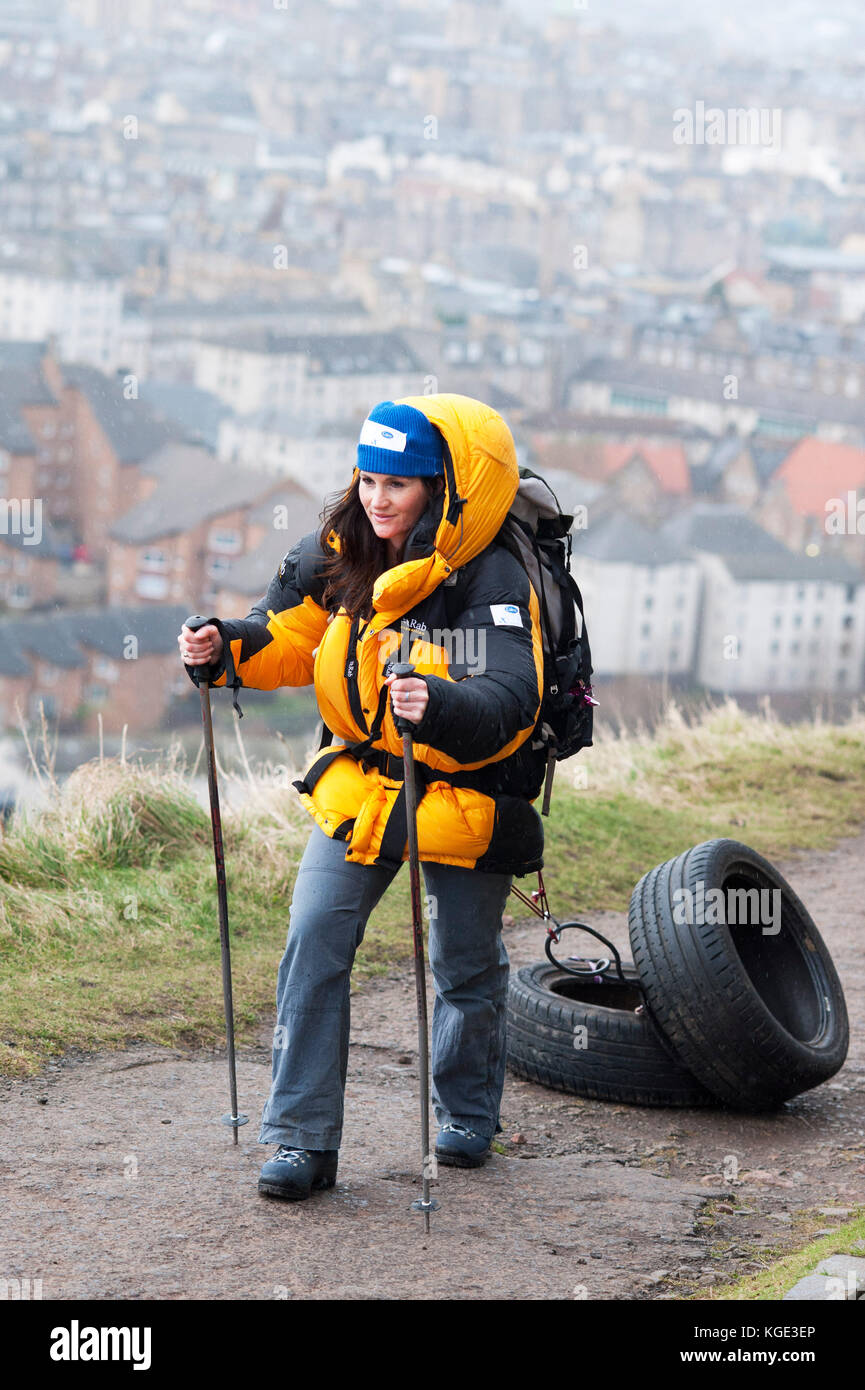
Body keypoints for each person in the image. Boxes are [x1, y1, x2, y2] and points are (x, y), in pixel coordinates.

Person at [177, 393, 546, 1201]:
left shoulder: (489, 575)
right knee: (313, 938)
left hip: (468, 794)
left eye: (401, 484)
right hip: (363, 783)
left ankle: (466, 1115)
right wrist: (220, 649)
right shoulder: (340, 552)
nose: (379, 498)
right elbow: (285, 639)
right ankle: (302, 1141)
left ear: (440, 488)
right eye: (370, 479)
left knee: (461, 959)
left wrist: (437, 703)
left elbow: (512, 697)